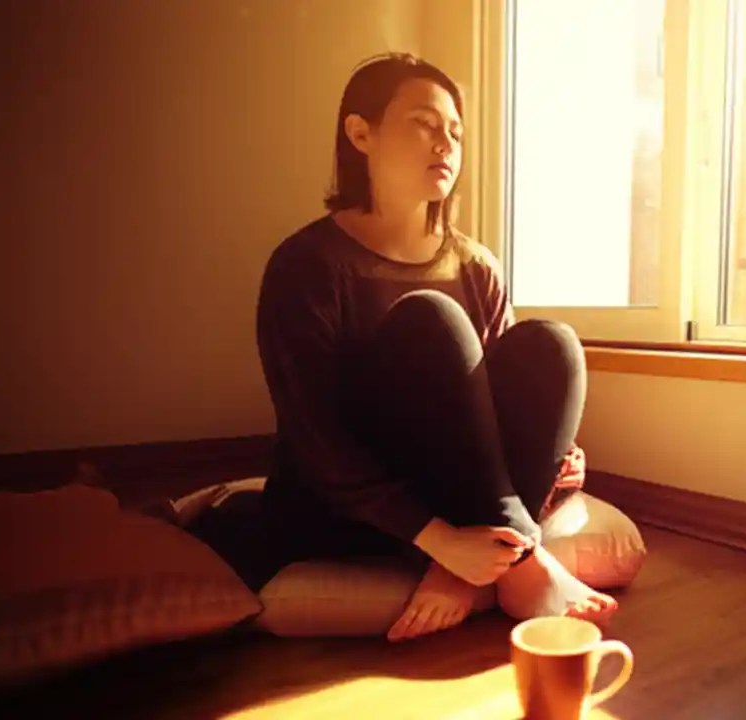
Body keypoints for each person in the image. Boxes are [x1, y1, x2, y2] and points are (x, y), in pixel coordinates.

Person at [251, 53, 618, 641]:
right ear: (360, 133)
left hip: (463, 502)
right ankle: (517, 560)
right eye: (424, 123)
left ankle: (489, 562)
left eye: (455, 132)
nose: (445, 144)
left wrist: (559, 453)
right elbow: (312, 435)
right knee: (432, 320)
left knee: (552, 342)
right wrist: (440, 541)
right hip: (362, 513)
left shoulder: (475, 265)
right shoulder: (307, 265)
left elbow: (497, 408)